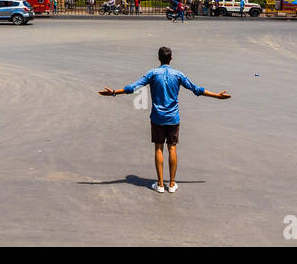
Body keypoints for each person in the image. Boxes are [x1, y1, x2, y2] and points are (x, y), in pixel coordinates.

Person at [99, 45, 231, 193]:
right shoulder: (178, 74)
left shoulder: (152, 74)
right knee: (172, 147)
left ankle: (160, 184)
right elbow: (196, 89)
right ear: (171, 58)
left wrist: (114, 93)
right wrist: (217, 96)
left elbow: (133, 87)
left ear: (159, 58)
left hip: (157, 118)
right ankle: (172, 183)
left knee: (159, 147)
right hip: (173, 118)